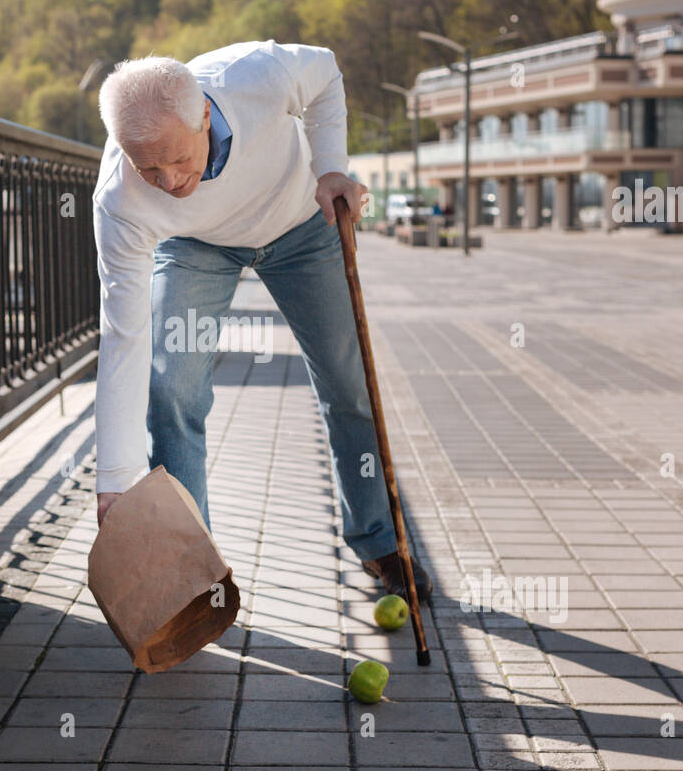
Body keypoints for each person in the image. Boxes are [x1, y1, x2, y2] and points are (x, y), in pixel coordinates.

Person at [91, 41, 431, 600]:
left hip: (301, 222)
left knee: (350, 382)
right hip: (196, 245)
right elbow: (124, 338)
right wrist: (112, 481)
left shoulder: (257, 73)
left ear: (204, 114)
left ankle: (381, 542)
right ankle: (191, 575)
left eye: (179, 158)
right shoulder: (119, 201)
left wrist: (331, 168)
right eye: (148, 166)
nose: (171, 181)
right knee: (172, 388)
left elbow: (327, 74)